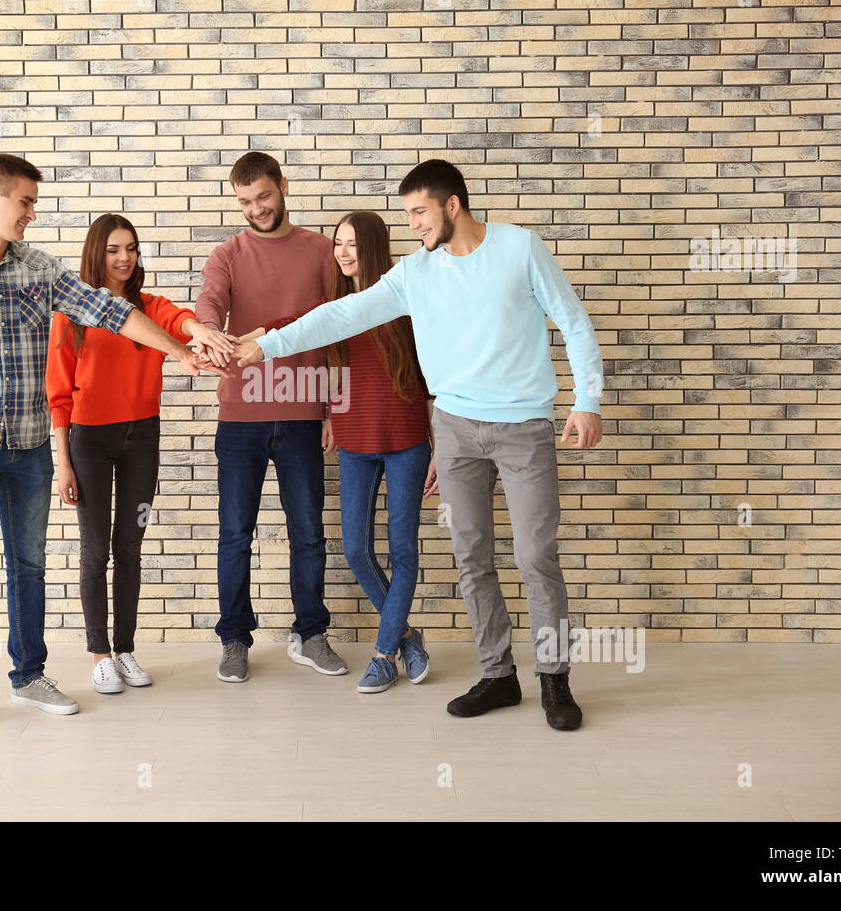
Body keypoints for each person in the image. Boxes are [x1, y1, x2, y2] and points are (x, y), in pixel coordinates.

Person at [234, 159, 604, 730]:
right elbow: (342, 315)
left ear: (452, 205)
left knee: (535, 557)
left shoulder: (520, 248)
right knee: (471, 559)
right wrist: (268, 346)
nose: (413, 225)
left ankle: (554, 680)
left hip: (525, 426)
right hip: (456, 429)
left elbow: (574, 322)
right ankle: (498, 675)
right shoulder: (415, 273)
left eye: (419, 213)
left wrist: (587, 400)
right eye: (407, 215)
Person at [0, 154, 221, 739]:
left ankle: (29, 676)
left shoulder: (40, 270)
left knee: (29, 565)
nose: (32, 213)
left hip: (28, 448)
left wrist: (177, 352)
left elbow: (112, 311)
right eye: (25, 202)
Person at [226, 212, 438, 693]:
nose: (342, 253)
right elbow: (293, 325)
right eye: (338, 244)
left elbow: (434, 380)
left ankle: (384, 655)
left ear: (375, 247)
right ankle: (406, 636)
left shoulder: (408, 301)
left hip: (407, 441)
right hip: (354, 442)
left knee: (403, 549)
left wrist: (442, 447)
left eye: (352, 245)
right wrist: (245, 339)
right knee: (358, 550)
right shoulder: (336, 308)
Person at [46, 214, 234, 695]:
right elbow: (59, 397)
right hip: (88, 441)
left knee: (130, 547)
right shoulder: (72, 316)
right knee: (95, 550)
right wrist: (63, 462)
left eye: (130, 248)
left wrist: (200, 336)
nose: (124, 257)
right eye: (113, 250)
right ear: (96, 254)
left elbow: (179, 321)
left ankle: (126, 649)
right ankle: (100, 655)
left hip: (142, 438)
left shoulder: (149, 308)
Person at [194, 151, 348, 683]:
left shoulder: (324, 251)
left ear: (282, 186)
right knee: (235, 532)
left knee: (307, 531)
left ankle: (311, 633)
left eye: (262, 196)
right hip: (241, 416)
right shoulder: (228, 254)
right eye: (244, 202)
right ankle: (235, 638)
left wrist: (334, 407)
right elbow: (209, 306)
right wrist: (208, 334)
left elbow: (338, 329)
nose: (255, 209)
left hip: (304, 408)